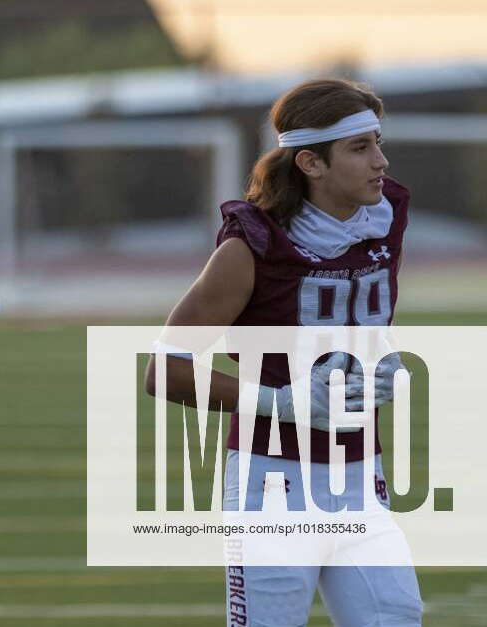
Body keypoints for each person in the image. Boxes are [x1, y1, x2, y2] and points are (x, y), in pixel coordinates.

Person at [145, 79, 423, 626]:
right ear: (310, 163)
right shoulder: (250, 248)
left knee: (396, 616)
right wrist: (284, 403)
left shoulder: (383, 219)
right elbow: (166, 372)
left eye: (378, 143)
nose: (381, 162)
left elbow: (349, 325)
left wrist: (383, 358)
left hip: (360, 470)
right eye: (360, 148)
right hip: (272, 478)